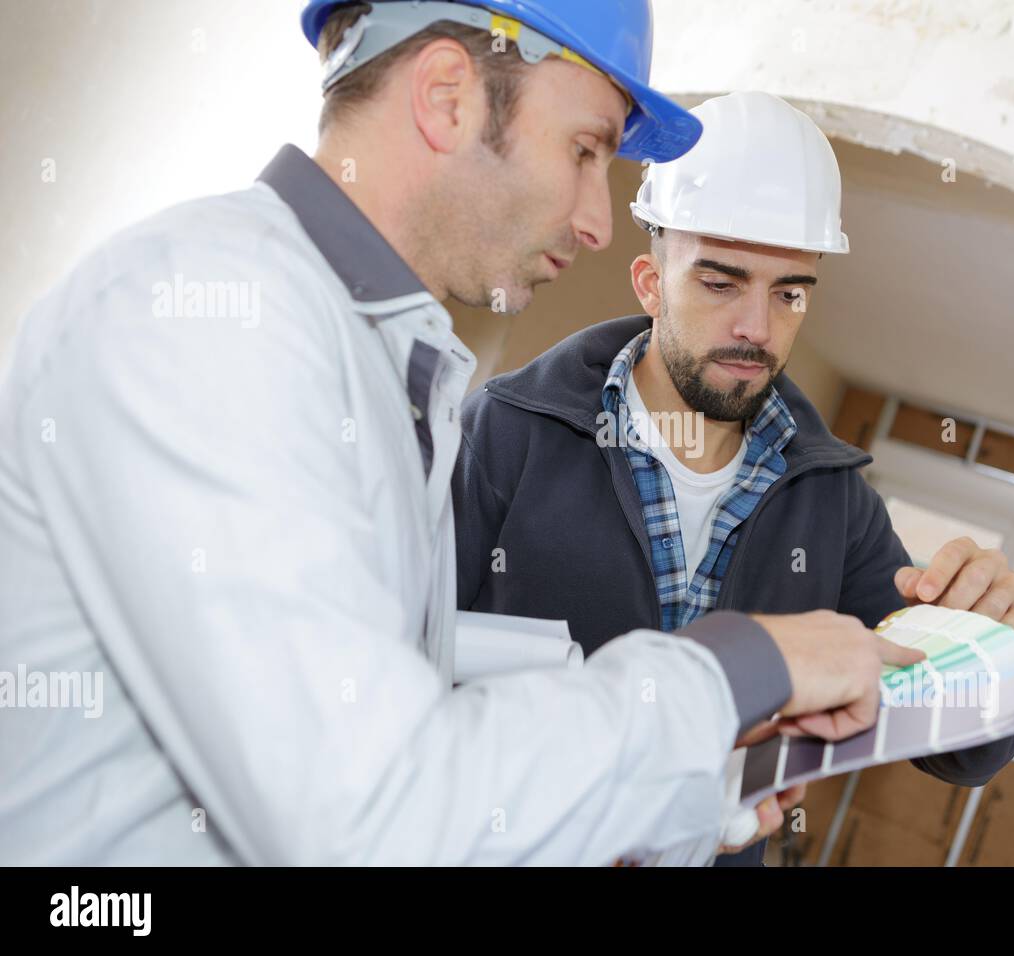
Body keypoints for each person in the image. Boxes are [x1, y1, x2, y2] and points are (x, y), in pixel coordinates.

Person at [0, 3, 927, 865]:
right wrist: (729, 670)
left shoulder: (386, 370)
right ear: (448, 98)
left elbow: (409, 728)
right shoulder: (212, 315)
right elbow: (364, 816)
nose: (599, 221)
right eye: (584, 150)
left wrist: (689, 791)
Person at [453, 92, 1014, 865]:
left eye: (788, 291)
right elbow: (392, 669)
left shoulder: (837, 505)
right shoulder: (507, 430)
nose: (757, 329)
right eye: (721, 282)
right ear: (650, 281)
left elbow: (961, 754)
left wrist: (983, 644)